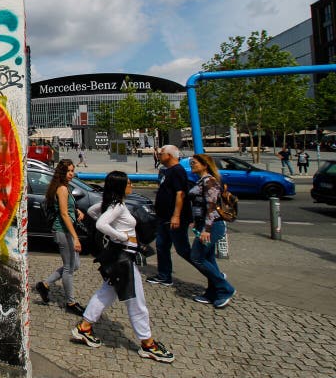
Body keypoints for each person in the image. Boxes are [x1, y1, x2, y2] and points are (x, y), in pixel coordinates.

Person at [71, 171, 175, 363]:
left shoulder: (111, 204)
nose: (131, 185)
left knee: (106, 292)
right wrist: (120, 236)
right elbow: (101, 223)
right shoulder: (117, 206)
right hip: (122, 257)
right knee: (136, 301)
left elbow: (94, 213)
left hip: (120, 257)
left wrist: (115, 234)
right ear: (120, 186)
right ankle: (147, 343)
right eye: (128, 183)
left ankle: (84, 327)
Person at [33, 159, 87, 315]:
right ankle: (71, 302)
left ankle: (44, 284)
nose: (72, 173)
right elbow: (63, 213)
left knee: (74, 265)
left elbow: (67, 209)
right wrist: (75, 237)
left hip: (66, 229)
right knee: (69, 268)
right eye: (69, 171)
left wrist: (77, 212)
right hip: (63, 230)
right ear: (62, 173)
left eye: (72, 170)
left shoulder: (65, 187)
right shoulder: (62, 189)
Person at [187, 154, 237, 308]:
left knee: (196, 257)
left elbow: (211, 207)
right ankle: (212, 292)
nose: (192, 165)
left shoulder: (210, 181)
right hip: (204, 224)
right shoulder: (202, 181)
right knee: (208, 258)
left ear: (205, 165)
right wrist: (196, 222)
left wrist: (206, 229)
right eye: (191, 163)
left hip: (212, 225)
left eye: (194, 163)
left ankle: (225, 288)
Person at [147, 145, 192, 286]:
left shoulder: (178, 171)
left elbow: (180, 193)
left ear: (170, 155)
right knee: (161, 246)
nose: (158, 155)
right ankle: (164, 275)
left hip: (173, 218)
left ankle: (211, 272)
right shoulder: (167, 171)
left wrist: (176, 216)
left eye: (161, 153)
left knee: (183, 250)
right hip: (163, 217)